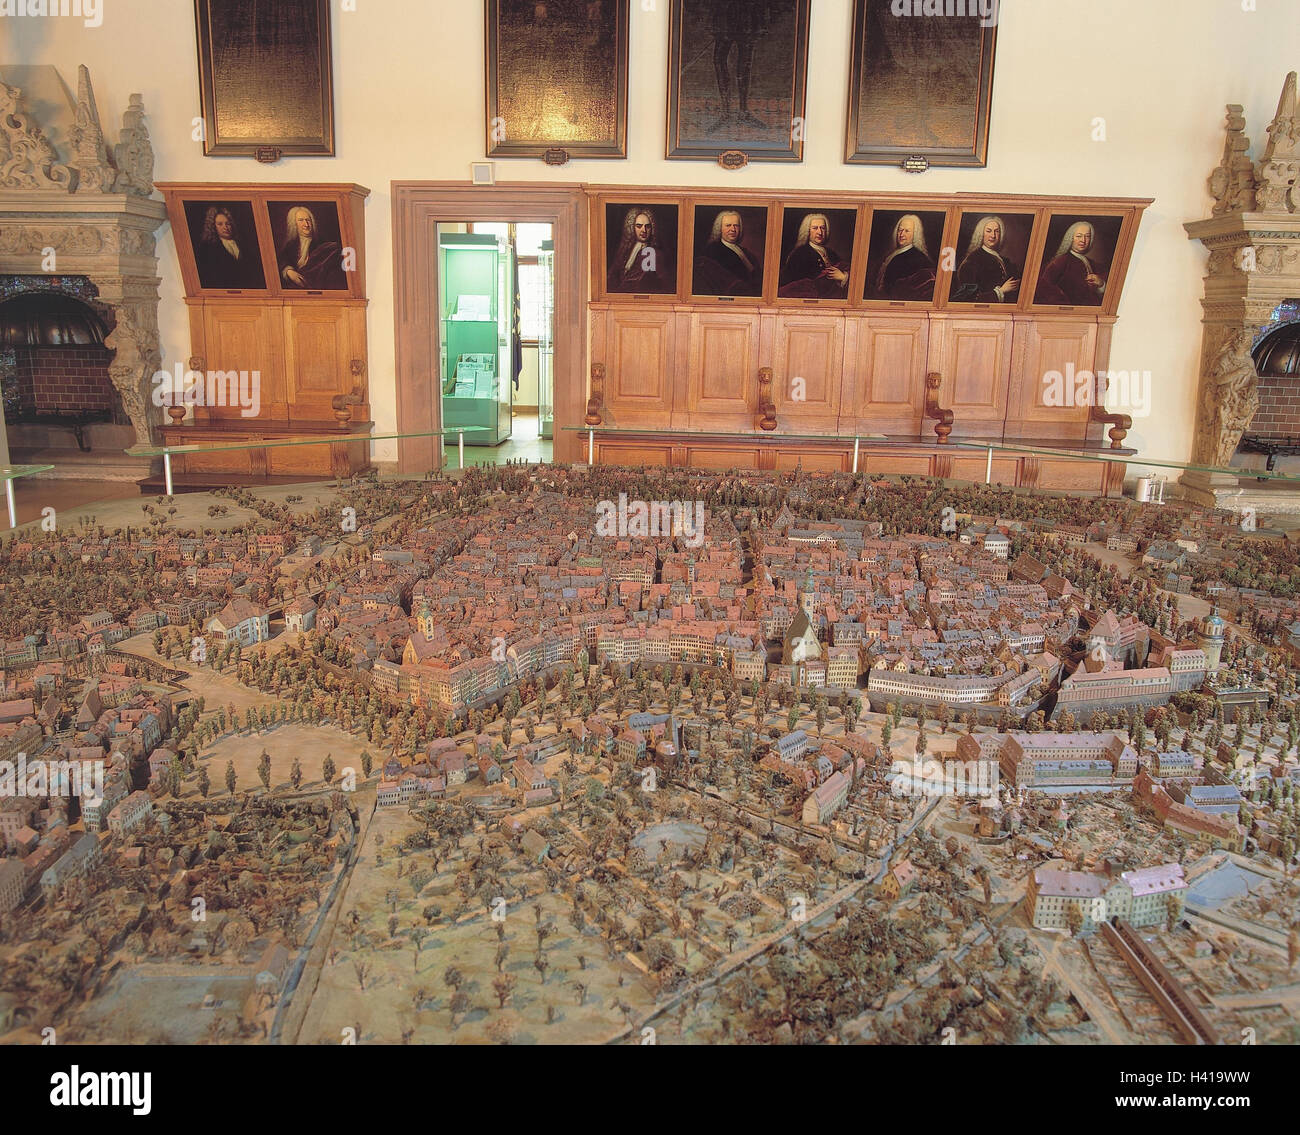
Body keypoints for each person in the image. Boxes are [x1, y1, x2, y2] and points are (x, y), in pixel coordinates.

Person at [1034, 221, 1107, 306]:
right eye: (1079, 236)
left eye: (1087, 236)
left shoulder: (1091, 263)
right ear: (1070, 238)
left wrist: (1101, 284)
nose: (1083, 240)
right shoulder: (1061, 261)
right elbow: (1044, 287)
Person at [779, 213, 850, 299]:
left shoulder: (831, 253)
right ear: (807, 231)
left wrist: (843, 277)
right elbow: (795, 285)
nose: (820, 232)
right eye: (815, 228)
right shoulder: (799, 254)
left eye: (822, 228)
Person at [952, 216, 1021, 303]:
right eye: (988, 231)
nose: (993, 235)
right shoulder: (972, 261)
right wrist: (1001, 291)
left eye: (997, 231)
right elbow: (968, 298)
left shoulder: (1004, 260)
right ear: (981, 234)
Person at [277, 206, 347, 290]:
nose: (306, 224)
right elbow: (281, 261)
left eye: (308, 220)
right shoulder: (291, 245)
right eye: (301, 220)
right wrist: (289, 271)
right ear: (294, 223)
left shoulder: (323, 244)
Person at [195, 206, 264, 290]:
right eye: (220, 224)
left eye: (227, 223)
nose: (225, 227)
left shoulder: (242, 245)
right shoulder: (209, 249)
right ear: (213, 226)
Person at [696, 209, 762, 296]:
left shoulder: (744, 251)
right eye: (728, 225)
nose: (733, 229)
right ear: (719, 228)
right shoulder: (713, 250)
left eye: (736, 225)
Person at [607, 206, 672, 293]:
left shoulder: (653, 253)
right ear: (631, 227)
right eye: (639, 226)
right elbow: (613, 274)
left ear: (652, 228)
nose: (643, 230)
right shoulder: (626, 250)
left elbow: (663, 284)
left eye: (647, 227)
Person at [872, 214, 936, 301]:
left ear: (915, 234)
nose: (902, 234)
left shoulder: (918, 257)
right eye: (900, 230)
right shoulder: (893, 254)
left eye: (907, 231)